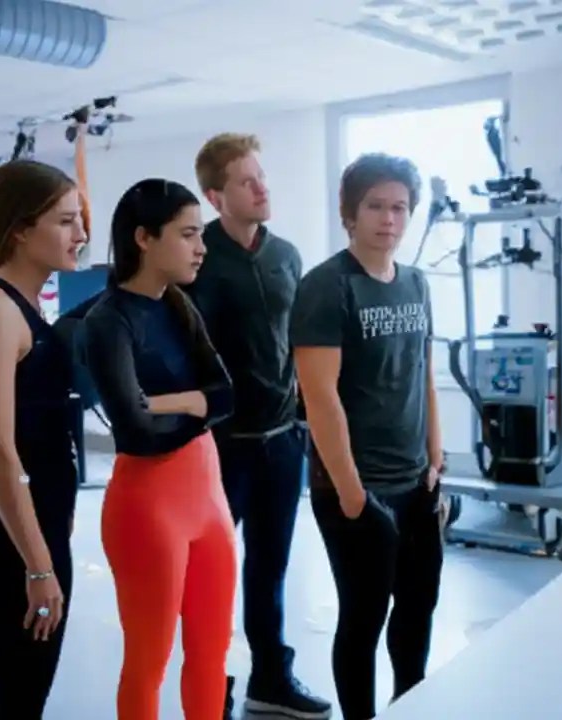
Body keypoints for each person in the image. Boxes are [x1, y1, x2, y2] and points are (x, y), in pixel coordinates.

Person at [289, 153, 445, 720]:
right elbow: (320, 396)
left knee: (417, 612)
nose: (389, 219)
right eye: (376, 206)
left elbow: (424, 373)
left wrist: (435, 458)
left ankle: (411, 708)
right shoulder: (327, 287)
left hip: (416, 483)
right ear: (349, 214)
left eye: (399, 207)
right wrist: (353, 493)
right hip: (356, 489)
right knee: (363, 616)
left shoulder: (416, 283)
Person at [186, 132, 331, 719]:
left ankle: (271, 679)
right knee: (212, 578)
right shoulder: (197, 257)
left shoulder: (287, 256)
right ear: (217, 196)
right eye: (247, 181)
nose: (262, 187)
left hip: (280, 443)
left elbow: (294, 345)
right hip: (221, 447)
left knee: (269, 570)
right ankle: (208, 690)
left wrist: (306, 420)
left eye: (262, 176)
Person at [82, 178, 238, 720]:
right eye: (189, 234)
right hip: (149, 509)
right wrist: (198, 407)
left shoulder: (178, 306)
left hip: (208, 501)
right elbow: (136, 430)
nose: (201, 247)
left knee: (212, 654)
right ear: (144, 238)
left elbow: (226, 397)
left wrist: (177, 401)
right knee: (149, 661)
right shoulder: (108, 321)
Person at [0, 159, 88, 718]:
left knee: (27, 692)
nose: (80, 234)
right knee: (16, 697)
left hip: (36, 530)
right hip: (10, 542)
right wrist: (38, 565)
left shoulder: (20, 307)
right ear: (21, 230)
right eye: (66, 221)